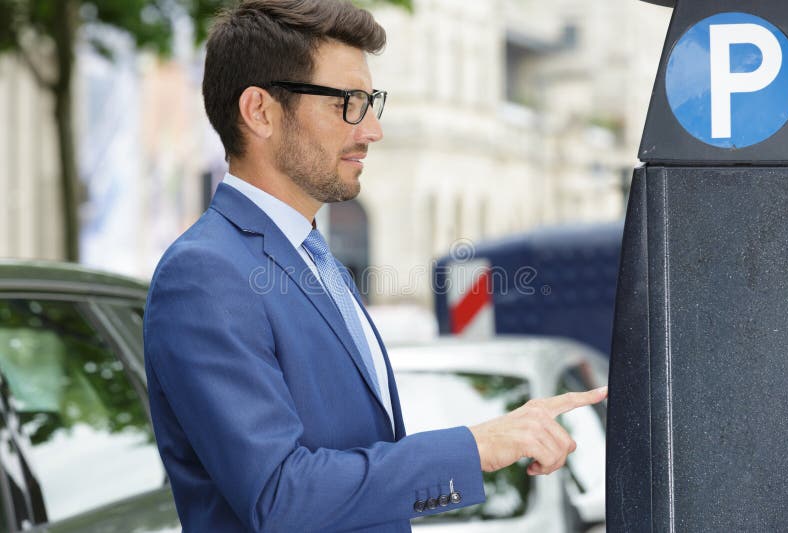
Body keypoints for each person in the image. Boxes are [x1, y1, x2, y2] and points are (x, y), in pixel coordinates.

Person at [143, 1, 608, 531]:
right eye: (349, 103)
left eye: (371, 102)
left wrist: (488, 438)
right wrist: (473, 447)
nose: (372, 130)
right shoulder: (204, 276)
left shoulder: (315, 260)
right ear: (260, 111)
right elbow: (279, 495)